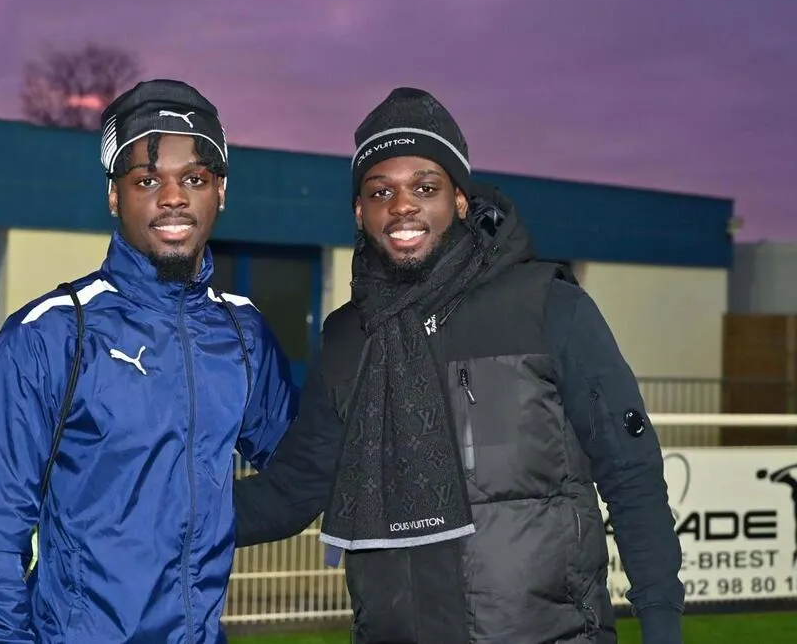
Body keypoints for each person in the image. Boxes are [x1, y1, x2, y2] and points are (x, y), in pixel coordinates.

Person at [233, 88, 684, 644]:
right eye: (381, 191)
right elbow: (291, 492)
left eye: (425, 187)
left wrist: (661, 621)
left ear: (461, 200)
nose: (403, 206)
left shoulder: (547, 306)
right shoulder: (347, 338)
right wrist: (152, 510)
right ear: (360, 211)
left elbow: (631, 472)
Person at [0, 79, 296, 643]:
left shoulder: (243, 332)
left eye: (195, 179)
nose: (174, 197)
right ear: (115, 196)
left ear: (221, 191)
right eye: (146, 180)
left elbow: (305, 465)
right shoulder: (50, 335)